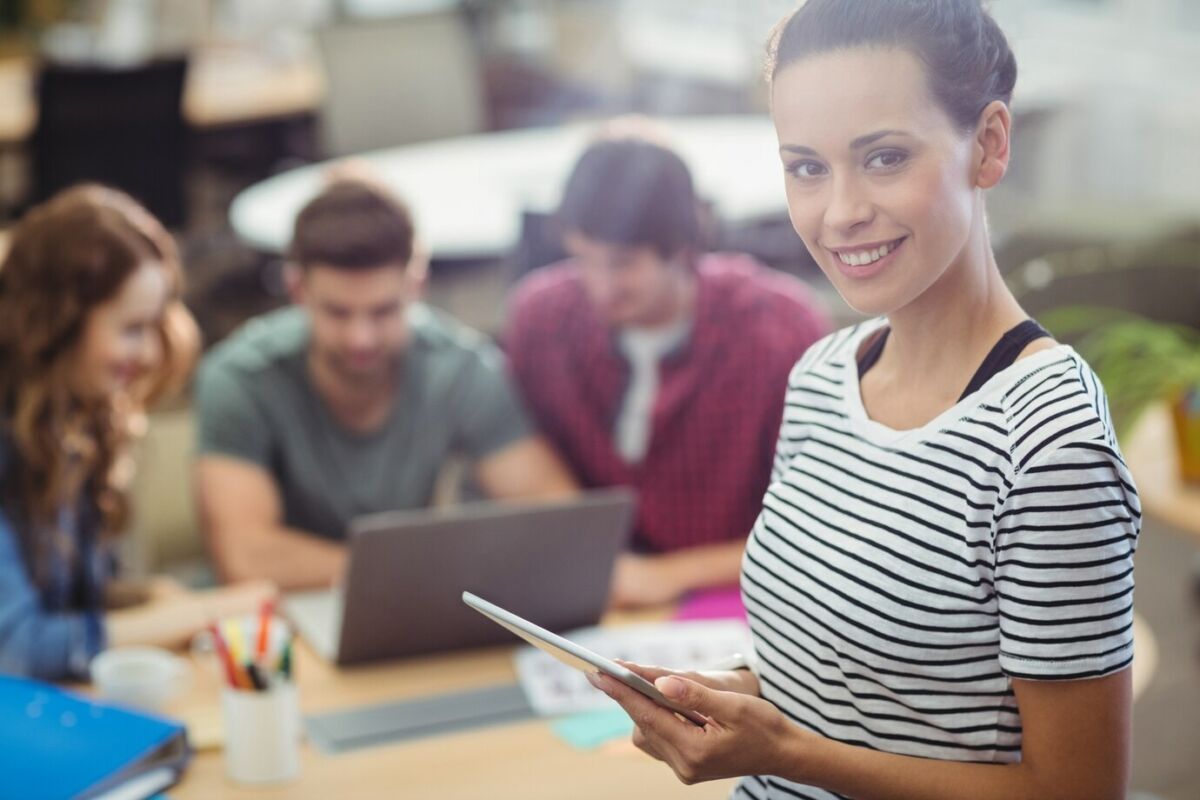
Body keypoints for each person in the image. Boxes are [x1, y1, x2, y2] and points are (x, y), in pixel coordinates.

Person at [588, 2, 1141, 798]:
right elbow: (852, 689)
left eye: (883, 158)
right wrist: (715, 696)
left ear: (988, 144)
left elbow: (1076, 792)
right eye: (806, 167)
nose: (839, 212)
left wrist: (784, 751)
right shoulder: (821, 375)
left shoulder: (1048, 442)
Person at [195, 178, 576, 591]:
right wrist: (416, 574)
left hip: (407, 602)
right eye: (338, 313)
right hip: (287, 618)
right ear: (297, 290)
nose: (362, 338)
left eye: (383, 311)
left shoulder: (462, 368)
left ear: (416, 285)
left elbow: (561, 522)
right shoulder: (241, 379)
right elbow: (245, 558)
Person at [506, 131, 829, 609]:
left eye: (623, 264)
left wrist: (668, 574)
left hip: (743, 601)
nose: (600, 287)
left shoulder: (778, 331)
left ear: (681, 247)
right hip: (592, 605)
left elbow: (821, 524)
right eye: (582, 260)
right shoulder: (541, 319)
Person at [0, 185, 275, 681]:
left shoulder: (71, 420)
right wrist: (202, 614)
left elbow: (63, 597)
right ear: (58, 325)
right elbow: (15, 648)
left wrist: (149, 599)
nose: (149, 354)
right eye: (131, 330)